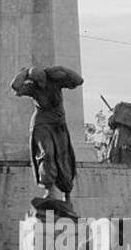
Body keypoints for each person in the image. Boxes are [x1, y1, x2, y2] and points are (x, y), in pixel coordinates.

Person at [11, 65, 84, 218]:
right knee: (47, 154)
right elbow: (15, 86)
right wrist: (25, 72)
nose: (41, 82)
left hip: (58, 125)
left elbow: (79, 80)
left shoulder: (56, 82)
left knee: (63, 157)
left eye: (42, 78)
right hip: (41, 124)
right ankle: (48, 190)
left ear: (46, 76)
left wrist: (63, 69)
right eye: (37, 80)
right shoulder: (32, 88)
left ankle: (67, 195)